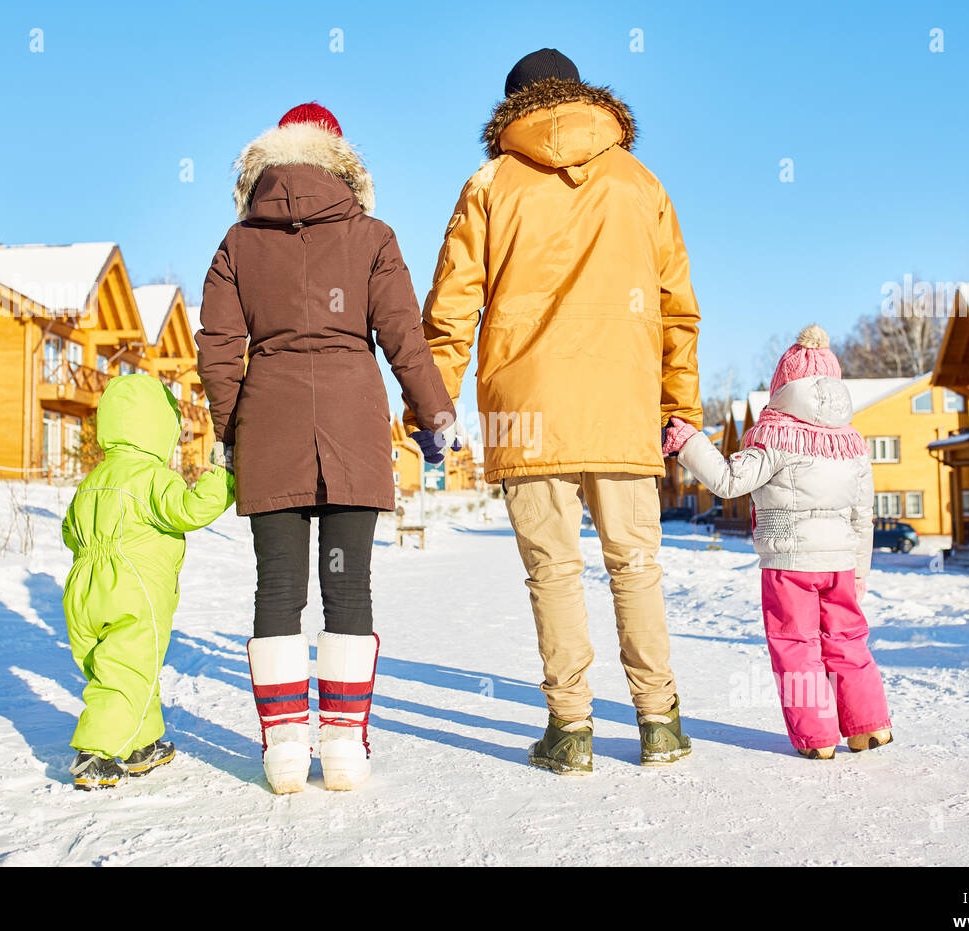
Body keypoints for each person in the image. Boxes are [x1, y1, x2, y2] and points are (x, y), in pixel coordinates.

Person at [407, 49, 702, 774]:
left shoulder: (490, 183)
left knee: (554, 571)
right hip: (623, 407)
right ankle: (659, 722)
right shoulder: (641, 183)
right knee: (636, 566)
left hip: (525, 408)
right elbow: (676, 312)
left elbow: (451, 312)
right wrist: (680, 407)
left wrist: (429, 405)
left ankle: (570, 731)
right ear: (578, 92)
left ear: (514, 106)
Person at [197, 103, 453, 793]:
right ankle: (341, 747)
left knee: (277, 588)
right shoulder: (373, 235)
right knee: (348, 588)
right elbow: (403, 335)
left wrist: (230, 430)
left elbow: (219, 347)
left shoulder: (237, 242)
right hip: (351, 423)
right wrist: (435, 416)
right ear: (342, 161)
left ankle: (283, 750)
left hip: (269, 423)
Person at [663, 324, 893, 758]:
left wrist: (690, 442)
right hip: (840, 564)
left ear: (782, 386)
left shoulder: (776, 435)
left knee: (796, 646)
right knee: (847, 641)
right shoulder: (852, 445)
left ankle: (819, 737)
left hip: (790, 563)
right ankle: (869, 726)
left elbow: (730, 481)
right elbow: (864, 516)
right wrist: (859, 572)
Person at [61, 375, 236, 790]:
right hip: (134, 588)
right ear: (160, 427)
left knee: (115, 666)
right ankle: (95, 755)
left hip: (83, 588)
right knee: (128, 668)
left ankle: (142, 744)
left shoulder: (93, 480)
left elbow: (69, 531)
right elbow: (190, 509)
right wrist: (223, 475)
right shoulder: (152, 477)